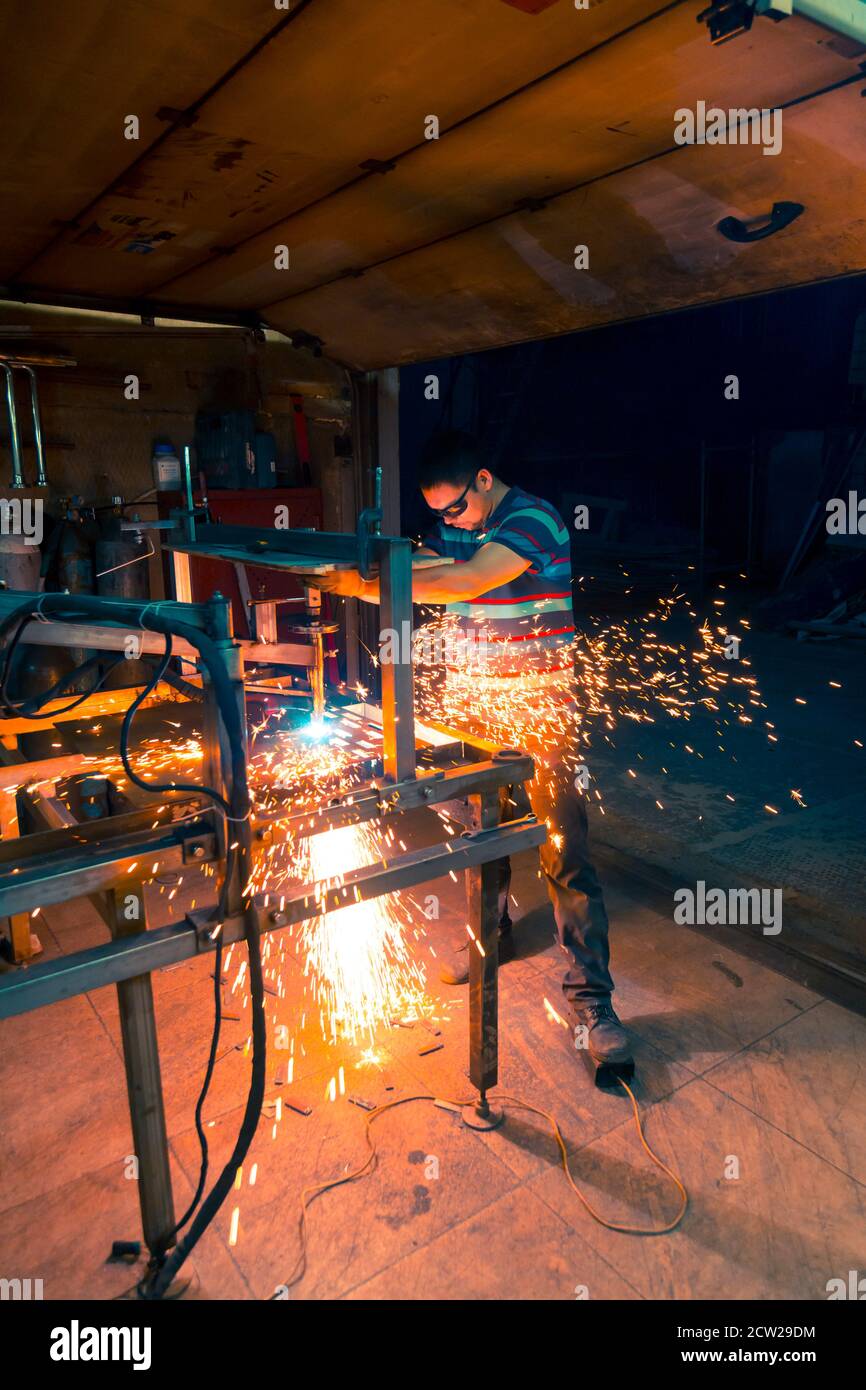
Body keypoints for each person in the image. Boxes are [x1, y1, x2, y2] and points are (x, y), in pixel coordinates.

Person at [314, 430, 632, 1071]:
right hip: (477, 717)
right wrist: (368, 564)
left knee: (564, 853)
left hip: (541, 717)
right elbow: (429, 565)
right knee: (479, 838)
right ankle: (493, 937)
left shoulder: (535, 520)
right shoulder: (459, 525)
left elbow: (465, 580)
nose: (449, 521)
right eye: (439, 513)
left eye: (455, 507)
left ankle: (593, 1000)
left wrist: (362, 586)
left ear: (484, 479)